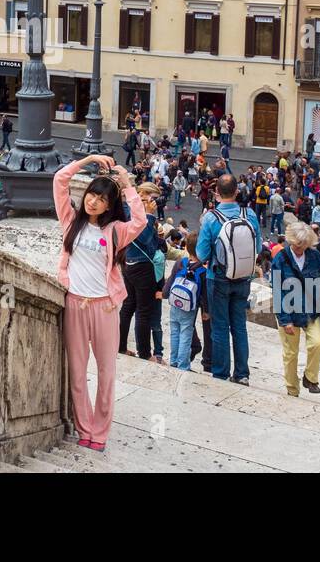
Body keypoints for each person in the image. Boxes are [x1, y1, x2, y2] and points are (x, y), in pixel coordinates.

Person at [53, 154, 146, 453]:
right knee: (78, 373)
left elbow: (141, 220)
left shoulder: (116, 230)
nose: (93, 202)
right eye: (92, 194)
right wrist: (89, 159)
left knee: (106, 373)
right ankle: (85, 428)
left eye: (101, 199)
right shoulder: (71, 222)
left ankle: (101, 432)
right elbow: (60, 180)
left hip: (104, 307)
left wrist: (127, 184)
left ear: (109, 205)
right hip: (75, 305)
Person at [197, 175, 262, 385]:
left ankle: (221, 373)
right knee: (239, 326)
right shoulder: (249, 214)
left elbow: (201, 253)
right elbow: (258, 248)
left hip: (218, 278)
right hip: (243, 277)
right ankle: (242, 374)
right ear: (236, 192)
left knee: (220, 327)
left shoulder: (210, 218)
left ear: (217, 193)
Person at [270, 217, 320, 397]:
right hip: (289, 310)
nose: (300, 248)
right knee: (291, 353)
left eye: (304, 244)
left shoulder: (315, 256)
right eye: (297, 244)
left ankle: (310, 377)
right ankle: (292, 388)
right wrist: (284, 319)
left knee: (318, 343)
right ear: (290, 241)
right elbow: (278, 291)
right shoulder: (280, 259)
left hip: (311, 310)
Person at [118, 183, 165, 362]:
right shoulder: (135, 211)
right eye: (152, 198)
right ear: (142, 194)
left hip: (129, 262)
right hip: (141, 264)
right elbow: (144, 239)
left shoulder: (127, 209)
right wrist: (150, 216)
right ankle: (144, 353)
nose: (154, 203)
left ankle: (120, 346)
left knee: (129, 305)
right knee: (143, 310)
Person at [165, 252, 208, 370]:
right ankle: (183, 364)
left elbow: (170, 280)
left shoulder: (180, 263)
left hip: (174, 304)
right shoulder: (202, 271)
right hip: (189, 309)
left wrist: (164, 293)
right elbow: (204, 295)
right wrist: (206, 311)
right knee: (185, 335)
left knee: (174, 333)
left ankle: (173, 360)